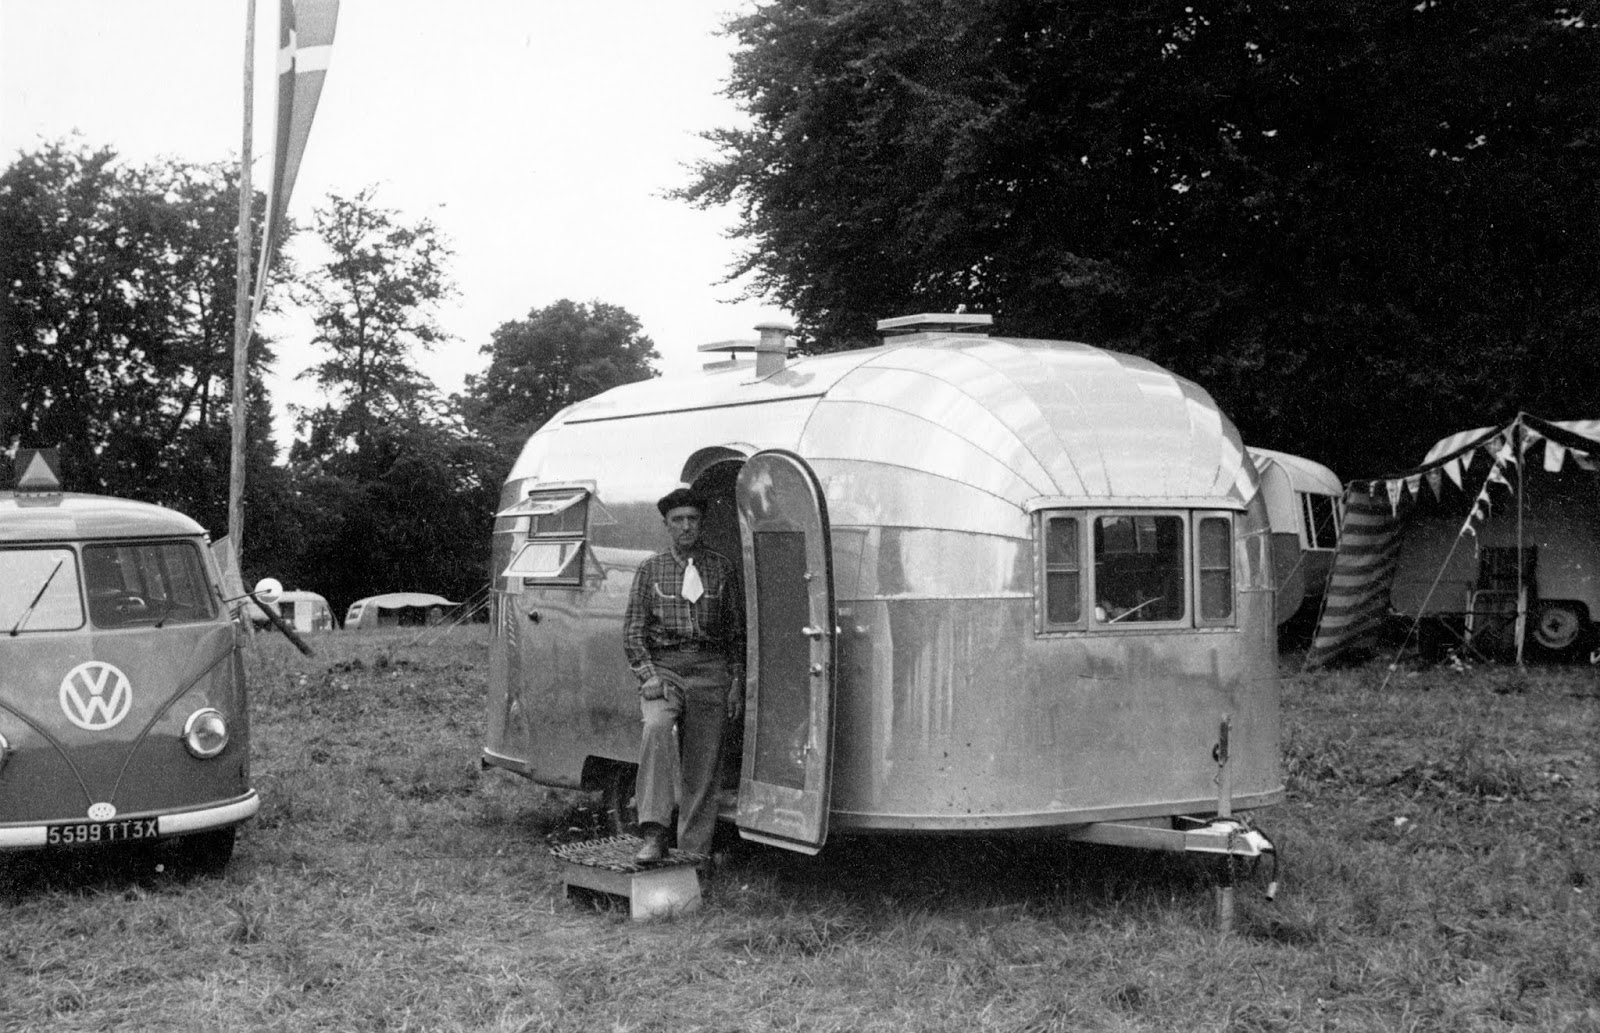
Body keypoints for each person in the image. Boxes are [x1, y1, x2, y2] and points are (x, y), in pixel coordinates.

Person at [623, 487, 747, 864]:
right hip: (666, 669)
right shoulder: (650, 568)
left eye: (692, 519)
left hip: (711, 670)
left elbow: (736, 632)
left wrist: (736, 681)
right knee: (656, 729)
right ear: (666, 525)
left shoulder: (720, 568)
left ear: (701, 523)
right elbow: (632, 630)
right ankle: (654, 835)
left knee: (704, 764)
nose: (686, 526)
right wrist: (647, 674)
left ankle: (693, 855)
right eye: (678, 520)